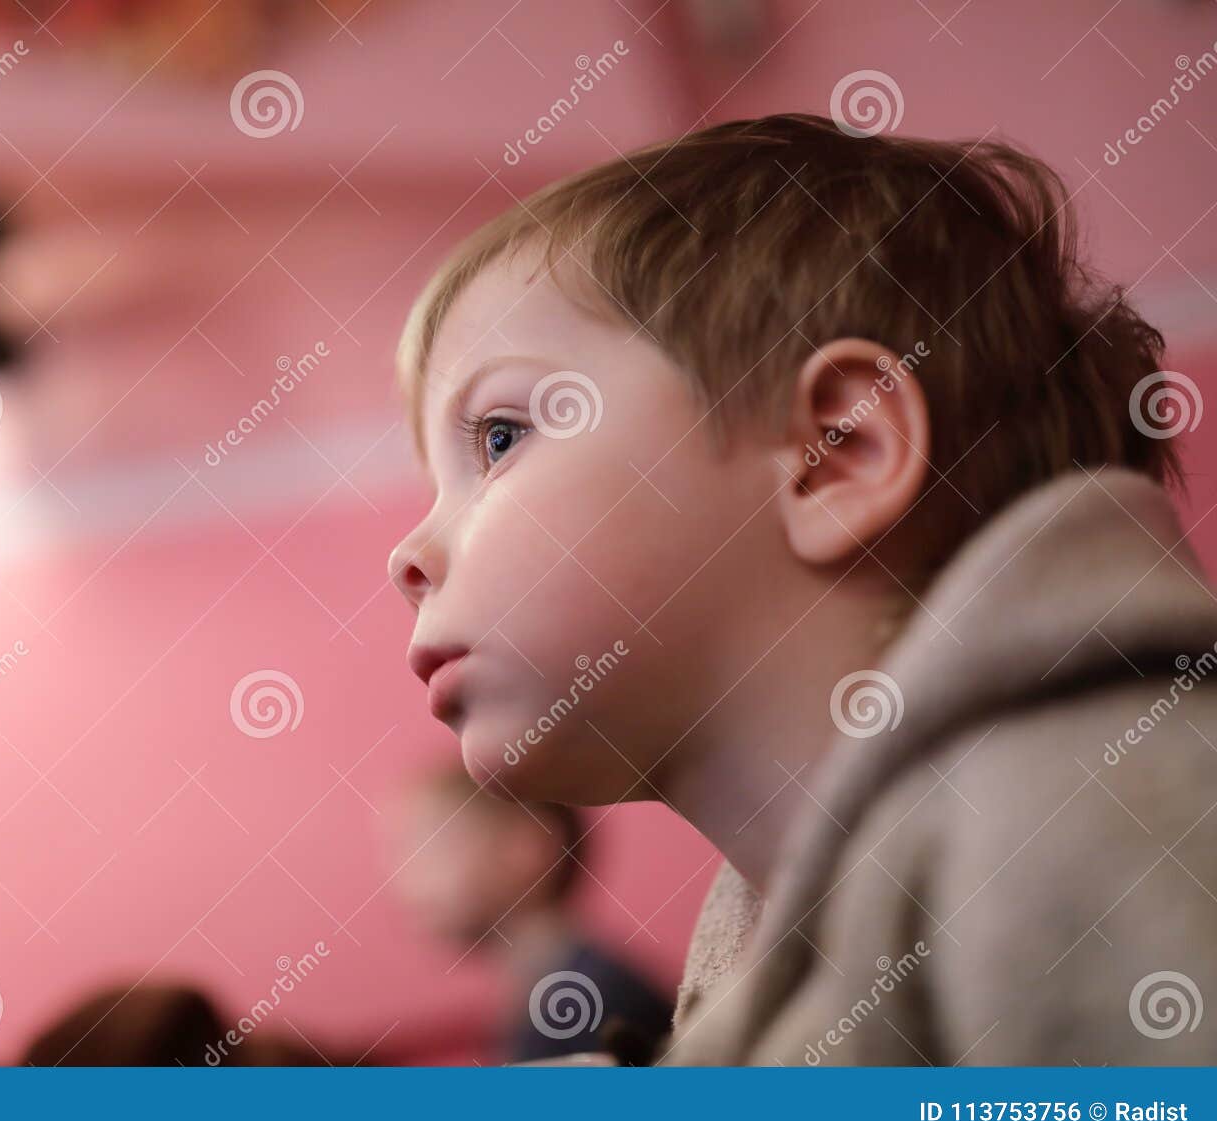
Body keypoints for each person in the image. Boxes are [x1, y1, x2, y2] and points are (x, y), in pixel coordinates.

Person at [385, 113, 1217, 1064]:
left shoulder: (1087, 808)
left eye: (498, 437)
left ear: (836, 453)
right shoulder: (756, 938)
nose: (408, 553)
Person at [388, 765, 673, 1063]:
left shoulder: (588, 1001)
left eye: (432, 847)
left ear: (527, 846)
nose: (405, 877)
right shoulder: (548, 996)